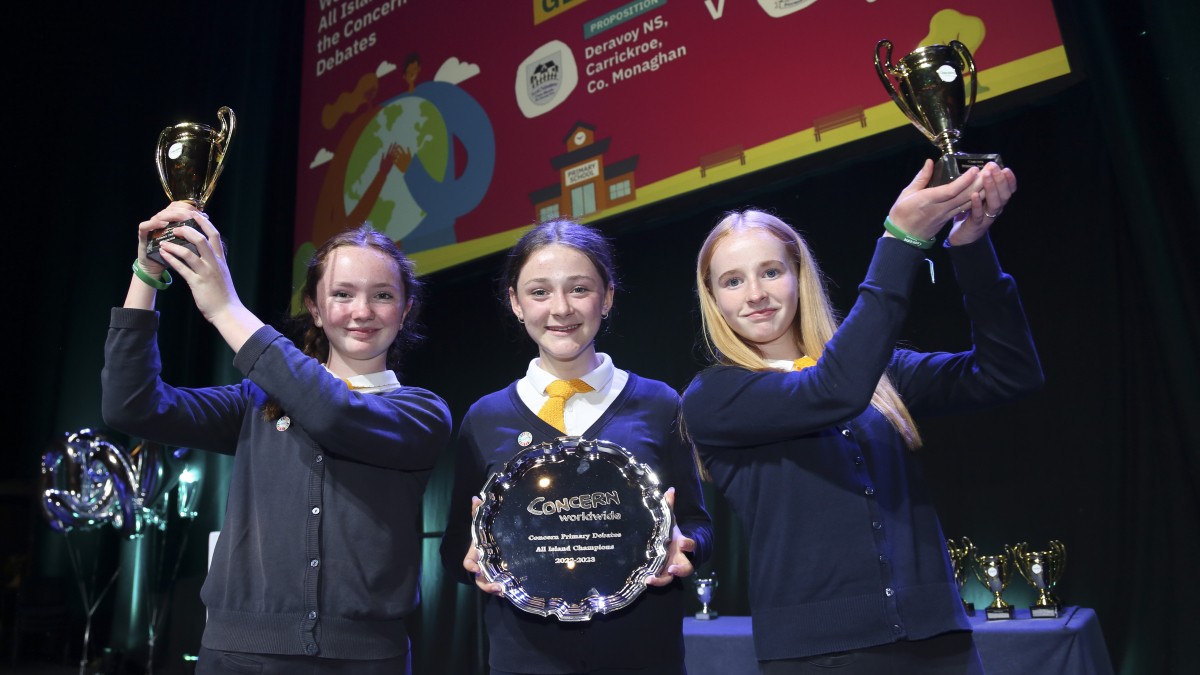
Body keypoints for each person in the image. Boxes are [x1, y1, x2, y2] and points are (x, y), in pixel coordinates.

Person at [681, 161, 1043, 674]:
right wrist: (899, 241)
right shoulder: (713, 395)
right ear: (713, 298)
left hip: (941, 641)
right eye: (733, 281)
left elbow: (1009, 373)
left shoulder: (874, 368)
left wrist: (971, 247)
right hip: (822, 656)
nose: (756, 294)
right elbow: (831, 391)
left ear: (798, 276)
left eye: (771, 272)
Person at [101, 203, 452, 674]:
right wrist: (146, 273)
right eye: (343, 294)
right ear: (314, 307)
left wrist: (226, 308)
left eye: (384, 296)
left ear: (406, 309)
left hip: (366, 660)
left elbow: (332, 413)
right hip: (237, 656)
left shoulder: (421, 412)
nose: (362, 312)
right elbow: (131, 404)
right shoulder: (256, 402)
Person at [440, 219, 713, 675]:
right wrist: (472, 559)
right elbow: (454, 551)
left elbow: (700, 525)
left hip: (644, 658)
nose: (561, 308)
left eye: (580, 289)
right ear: (515, 302)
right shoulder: (484, 418)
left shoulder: (660, 403)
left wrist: (683, 546)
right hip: (524, 659)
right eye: (539, 292)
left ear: (606, 297)